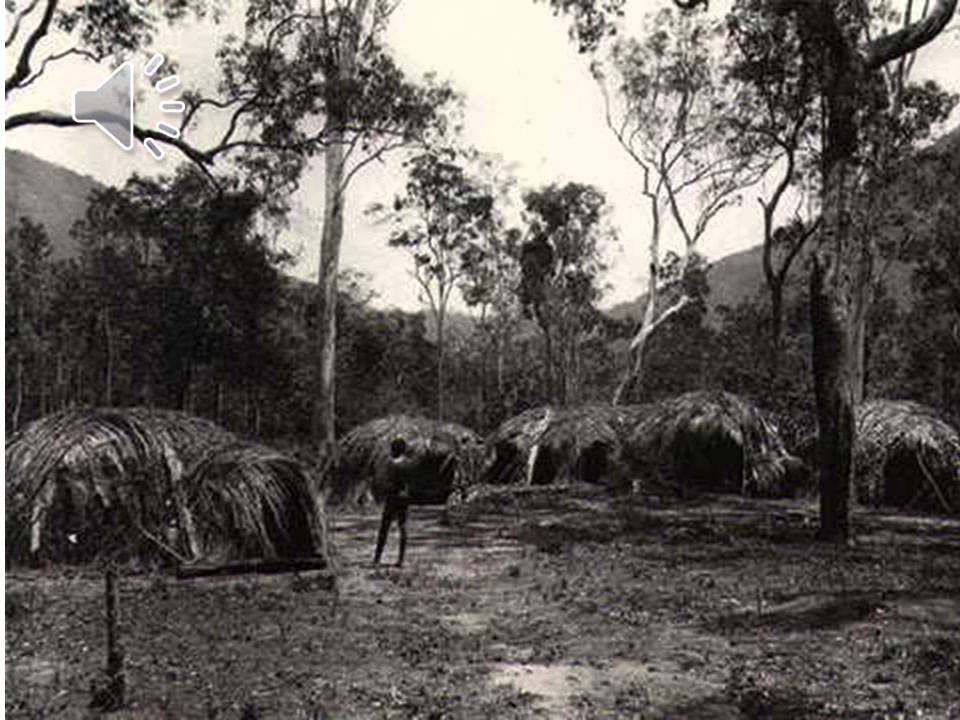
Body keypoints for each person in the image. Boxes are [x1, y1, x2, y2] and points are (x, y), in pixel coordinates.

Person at [373, 437, 416, 567]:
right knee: (403, 527)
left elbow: (386, 481)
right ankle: (401, 560)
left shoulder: (391, 464)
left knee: (384, 528)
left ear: (395, 449)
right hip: (404, 497)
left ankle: (377, 558)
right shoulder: (409, 463)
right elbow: (411, 482)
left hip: (393, 497)